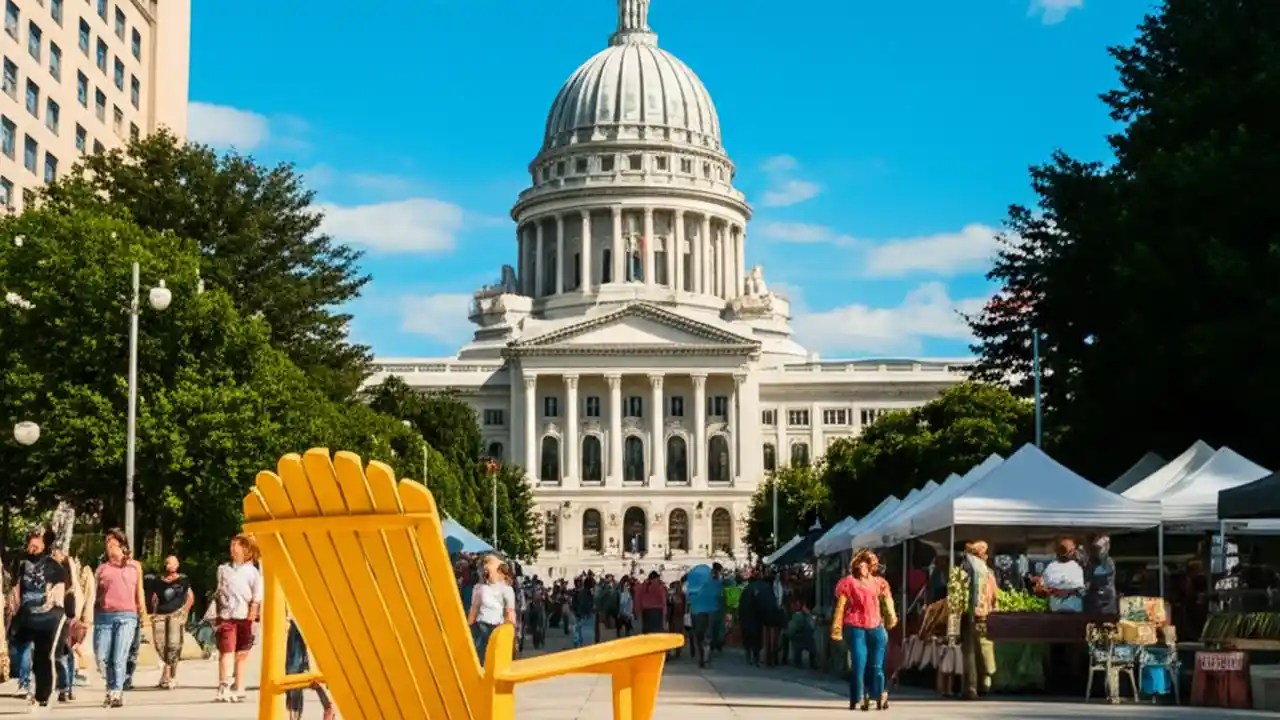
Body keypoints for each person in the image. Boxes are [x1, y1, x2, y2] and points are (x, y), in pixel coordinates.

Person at [9, 528, 67, 712]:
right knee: (18, 650)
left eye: (37, 541)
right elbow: (15, 587)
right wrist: (13, 609)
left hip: (48, 615)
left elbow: (59, 589)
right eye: (31, 541)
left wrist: (52, 606)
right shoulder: (21, 562)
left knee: (43, 655)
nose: (33, 545)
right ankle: (33, 687)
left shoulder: (52, 564)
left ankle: (44, 694)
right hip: (26, 614)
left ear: (44, 544)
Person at [831, 549, 892, 711]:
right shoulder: (848, 582)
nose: (863, 566)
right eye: (860, 563)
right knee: (858, 663)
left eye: (868, 563)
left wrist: (891, 618)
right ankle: (857, 697)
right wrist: (837, 627)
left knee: (876, 666)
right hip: (855, 626)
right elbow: (840, 607)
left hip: (876, 627)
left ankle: (877, 695)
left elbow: (887, 603)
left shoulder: (880, 582)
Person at [94, 528, 144, 708]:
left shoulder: (135, 566)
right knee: (102, 657)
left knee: (119, 657)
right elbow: (93, 594)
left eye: (112, 543)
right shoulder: (101, 569)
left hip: (127, 616)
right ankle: (110, 687)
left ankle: (116, 691)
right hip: (104, 616)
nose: (109, 547)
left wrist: (143, 614)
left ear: (122, 545)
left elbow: (140, 592)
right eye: (107, 543)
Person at [213, 534, 263, 703]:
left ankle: (240, 686)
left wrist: (254, 612)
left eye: (237, 546)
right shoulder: (223, 569)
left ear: (246, 550)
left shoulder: (252, 571)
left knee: (242, 653)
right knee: (227, 651)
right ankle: (224, 685)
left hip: (245, 616)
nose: (233, 549)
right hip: (227, 616)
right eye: (232, 545)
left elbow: (257, 593)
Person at [960, 540, 998, 701]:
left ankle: (970, 688)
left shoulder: (967, 568)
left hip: (970, 614)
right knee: (983, 649)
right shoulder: (988, 572)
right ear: (982, 554)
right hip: (985, 614)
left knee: (969, 652)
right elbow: (995, 595)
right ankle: (985, 683)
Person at [148, 555, 194, 689]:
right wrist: (154, 612)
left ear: (178, 565)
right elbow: (155, 597)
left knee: (174, 645)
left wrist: (185, 611)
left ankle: (171, 676)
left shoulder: (183, 580)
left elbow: (190, 596)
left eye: (174, 563)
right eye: (168, 563)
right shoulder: (158, 580)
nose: (171, 565)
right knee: (160, 644)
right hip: (161, 615)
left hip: (176, 614)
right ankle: (165, 674)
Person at [467, 554, 516, 663]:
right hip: (482, 625)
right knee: (482, 654)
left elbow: (510, 611)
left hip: (497, 626)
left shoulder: (507, 590)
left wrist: (511, 630)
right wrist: (469, 628)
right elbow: (474, 609)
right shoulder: (479, 588)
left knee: (493, 656)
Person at [50, 548, 81, 704]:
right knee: (65, 651)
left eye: (56, 553)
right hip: (58, 614)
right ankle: (67, 688)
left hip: (65, 614)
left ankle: (65, 688)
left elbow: (72, 589)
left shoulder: (66, 571)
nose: (53, 556)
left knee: (61, 652)